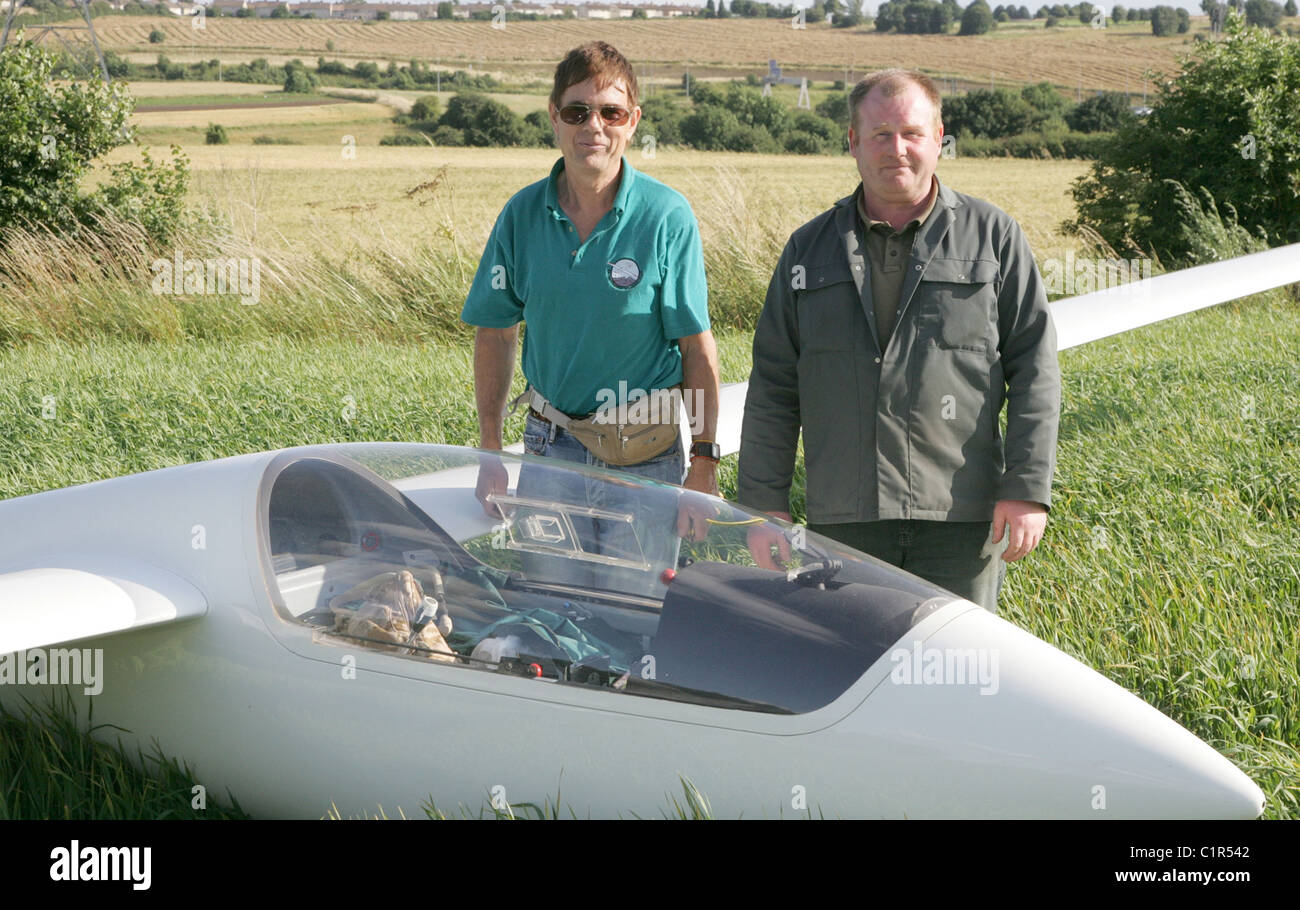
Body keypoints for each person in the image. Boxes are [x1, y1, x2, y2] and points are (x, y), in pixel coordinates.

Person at [737, 69, 1061, 612]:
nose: (897, 149)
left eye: (912, 133)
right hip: (847, 522)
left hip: (959, 518)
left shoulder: (994, 237)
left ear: (939, 139)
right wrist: (763, 505)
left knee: (956, 673)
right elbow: (773, 385)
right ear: (853, 142)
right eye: (880, 134)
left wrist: (1027, 488)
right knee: (853, 674)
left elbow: (1036, 370)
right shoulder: (807, 250)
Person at [462, 41, 720, 595]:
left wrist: (703, 464)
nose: (593, 127)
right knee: (553, 618)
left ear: (633, 122)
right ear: (554, 117)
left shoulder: (666, 216)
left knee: (635, 622)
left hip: (646, 460)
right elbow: (495, 331)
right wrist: (489, 451)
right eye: (577, 111)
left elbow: (696, 350)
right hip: (549, 452)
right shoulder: (521, 215)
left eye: (611, 112)